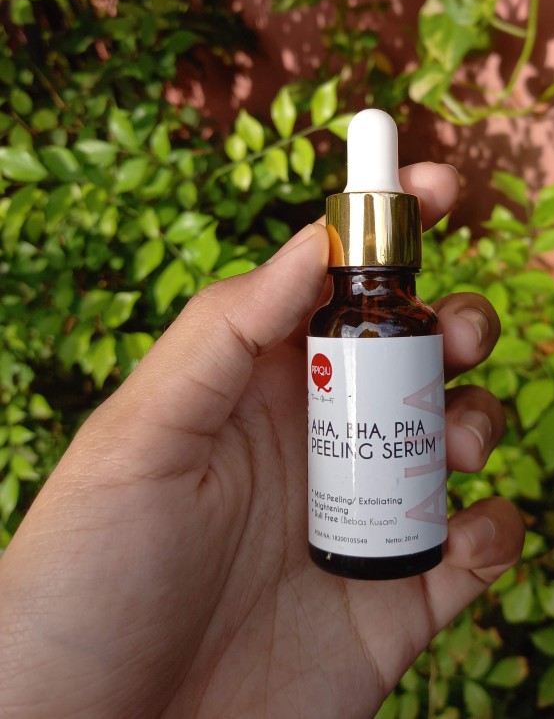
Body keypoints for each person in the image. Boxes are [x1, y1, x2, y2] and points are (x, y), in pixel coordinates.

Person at [0, 163, 524, 718]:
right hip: (324, 543)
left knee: (401, 434)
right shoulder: (332, 324)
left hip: (389, 546)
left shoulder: (413, 323)